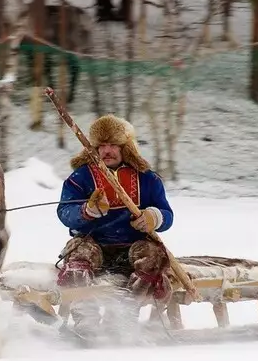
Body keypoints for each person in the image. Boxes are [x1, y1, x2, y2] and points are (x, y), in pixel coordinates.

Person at [55, 114, 175, 338]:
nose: (106, 151)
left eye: (113, 145)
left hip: (133, 246)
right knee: (77, 253)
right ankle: (85, 317)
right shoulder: (80, 178)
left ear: (125, 147)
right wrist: (87, 211)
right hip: (93, 245)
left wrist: (153, 217)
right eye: (101, 146)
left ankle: (125, 314)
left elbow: (167, 215)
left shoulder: (148, 179)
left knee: (153, 257)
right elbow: (64, 213)